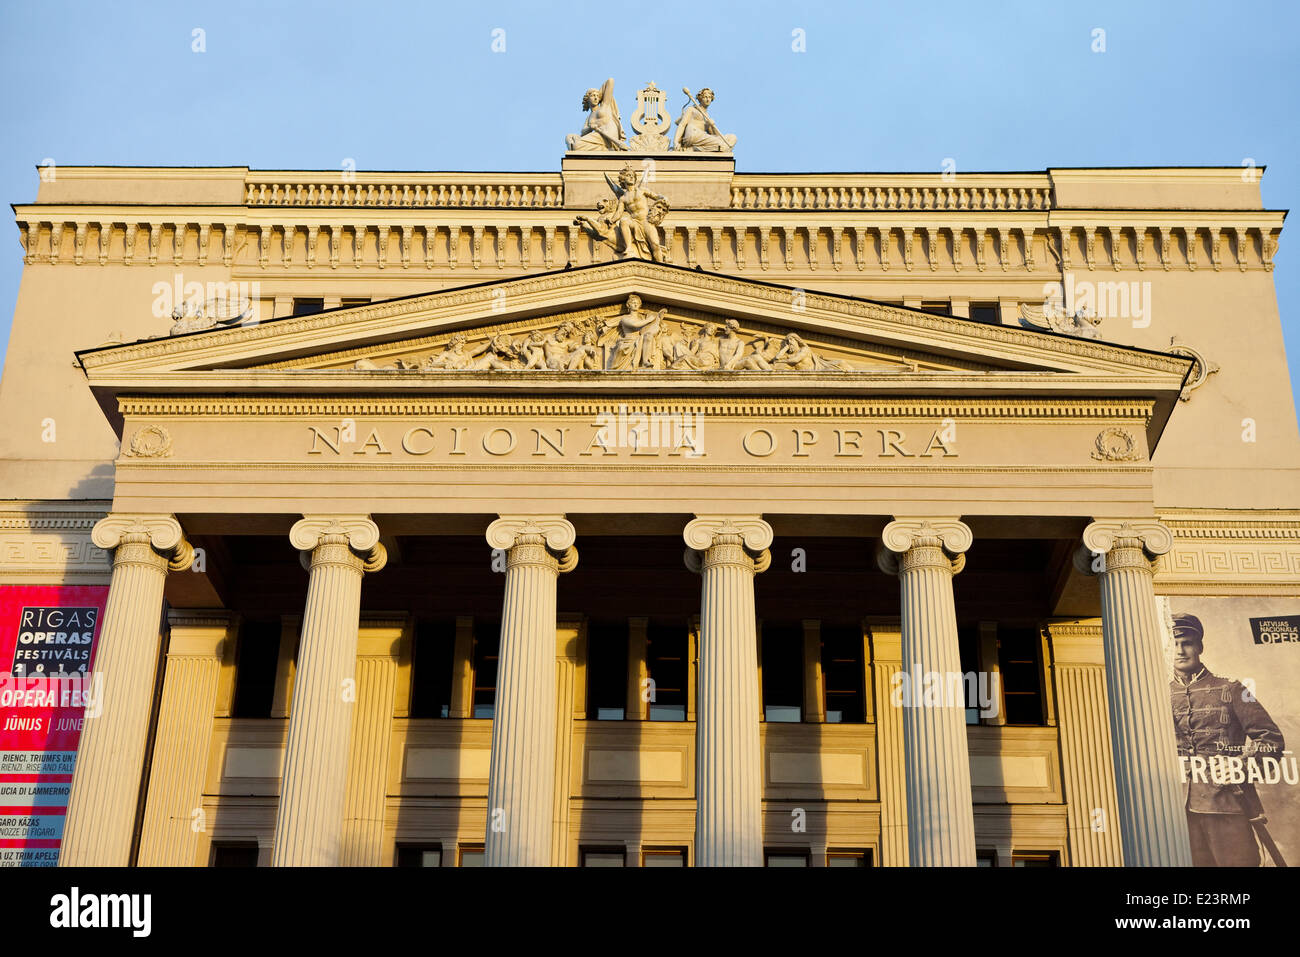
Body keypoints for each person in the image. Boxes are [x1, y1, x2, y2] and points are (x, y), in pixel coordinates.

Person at [1169, 612, 1285, 866]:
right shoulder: (1158, 693)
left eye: (1186, 642)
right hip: (1176, 811)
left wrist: (1240, 767)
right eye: (1174, 643)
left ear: (1199, 646)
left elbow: (1271, 740)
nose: (1180, 650)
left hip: (1228, 805)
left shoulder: (1231, 688)